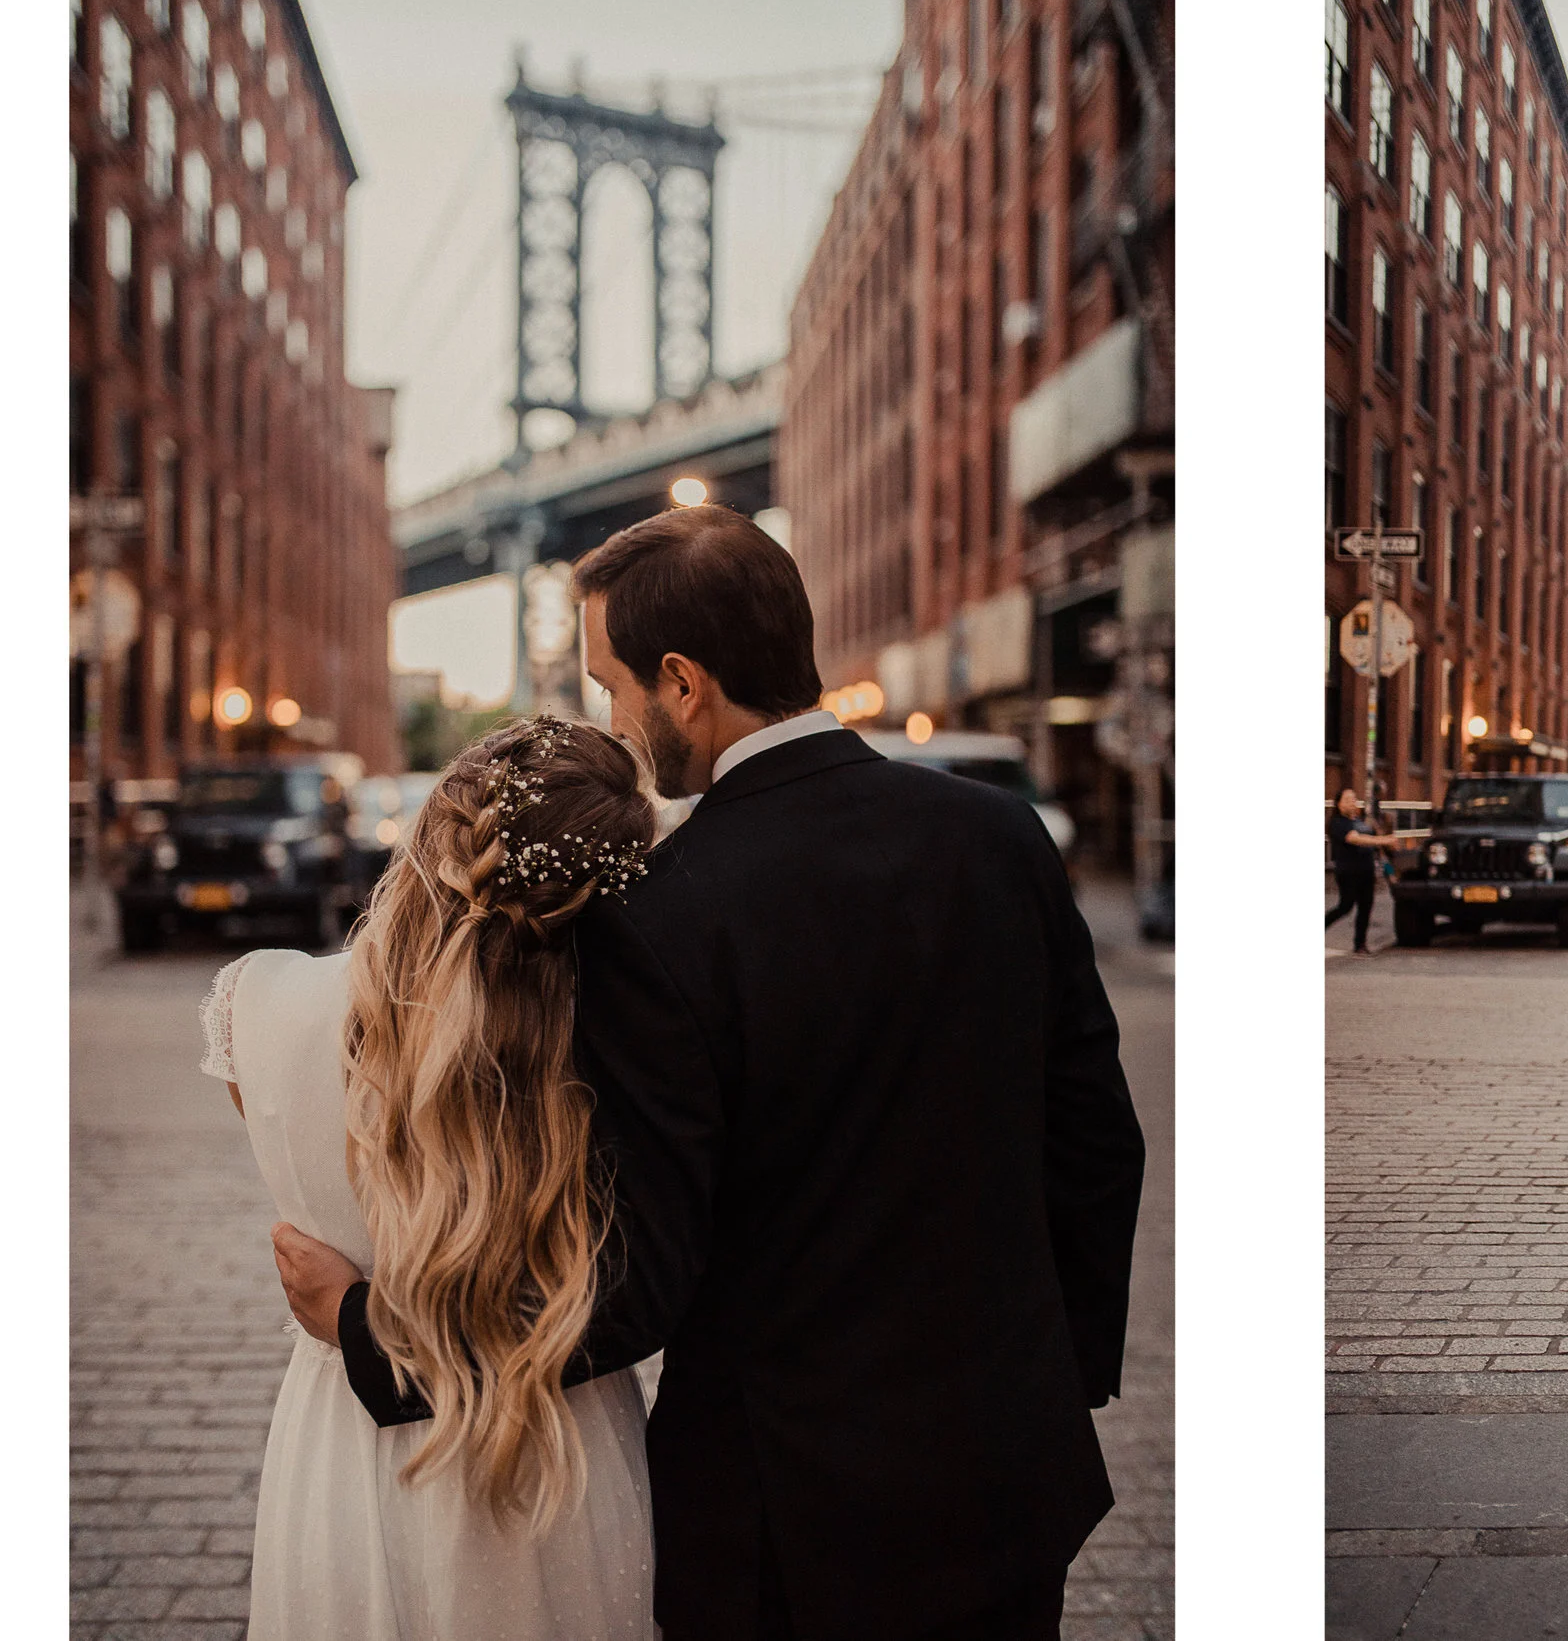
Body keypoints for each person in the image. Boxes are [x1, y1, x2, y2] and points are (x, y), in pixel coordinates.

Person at [271, 504, 1149, 1640]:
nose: (613, 716)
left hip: (789, 1524)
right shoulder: (999, 838)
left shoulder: (658, 916)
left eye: (610, 684)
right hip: (1009, 1477)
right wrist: (1042, 1385)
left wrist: (366, 1331)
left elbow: (633, 1281)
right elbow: (1095, 1145)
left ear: (682, 683)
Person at [201, 716, 665, 1637]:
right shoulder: (615, 1048)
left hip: (347, 1454)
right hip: (562, 1461)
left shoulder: (256, 1000)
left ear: (433, 829)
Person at [1324, 787, 1403, 954]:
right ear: (1338, 804)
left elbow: (1377, 849)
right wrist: (1384, 840)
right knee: (1345, 906)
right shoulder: (1338, 823)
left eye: (1353, 799)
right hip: (1348, 872)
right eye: (1346, 800)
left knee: (1366, 907)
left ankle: (1360, 945)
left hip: (1366, 872)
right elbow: (1356, 839)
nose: (1351, 803)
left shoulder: (1361, 821)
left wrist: (1390, 869)